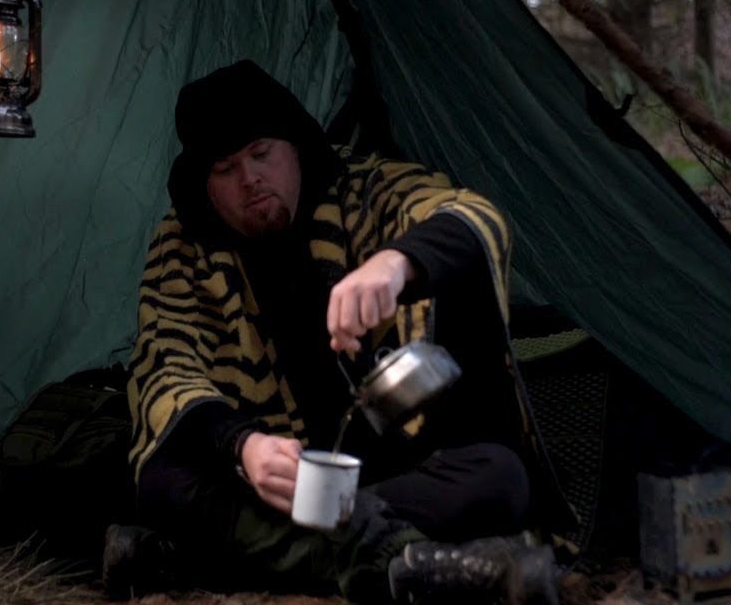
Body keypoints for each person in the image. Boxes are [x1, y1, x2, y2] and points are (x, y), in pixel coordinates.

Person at [108, 60, 570, 604]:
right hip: (272, 476)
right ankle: (406, 561)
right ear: (205, 186)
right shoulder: (183, 245)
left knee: (499, 478)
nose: (250, 178)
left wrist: (396, 263)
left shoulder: (362, 189)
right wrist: (244, 446)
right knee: (163, 482)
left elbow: (474, 216)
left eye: (261, 154)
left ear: (295, 148)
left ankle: (190, 557)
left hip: (382, 469)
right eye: (226, 168)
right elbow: (167, 361)